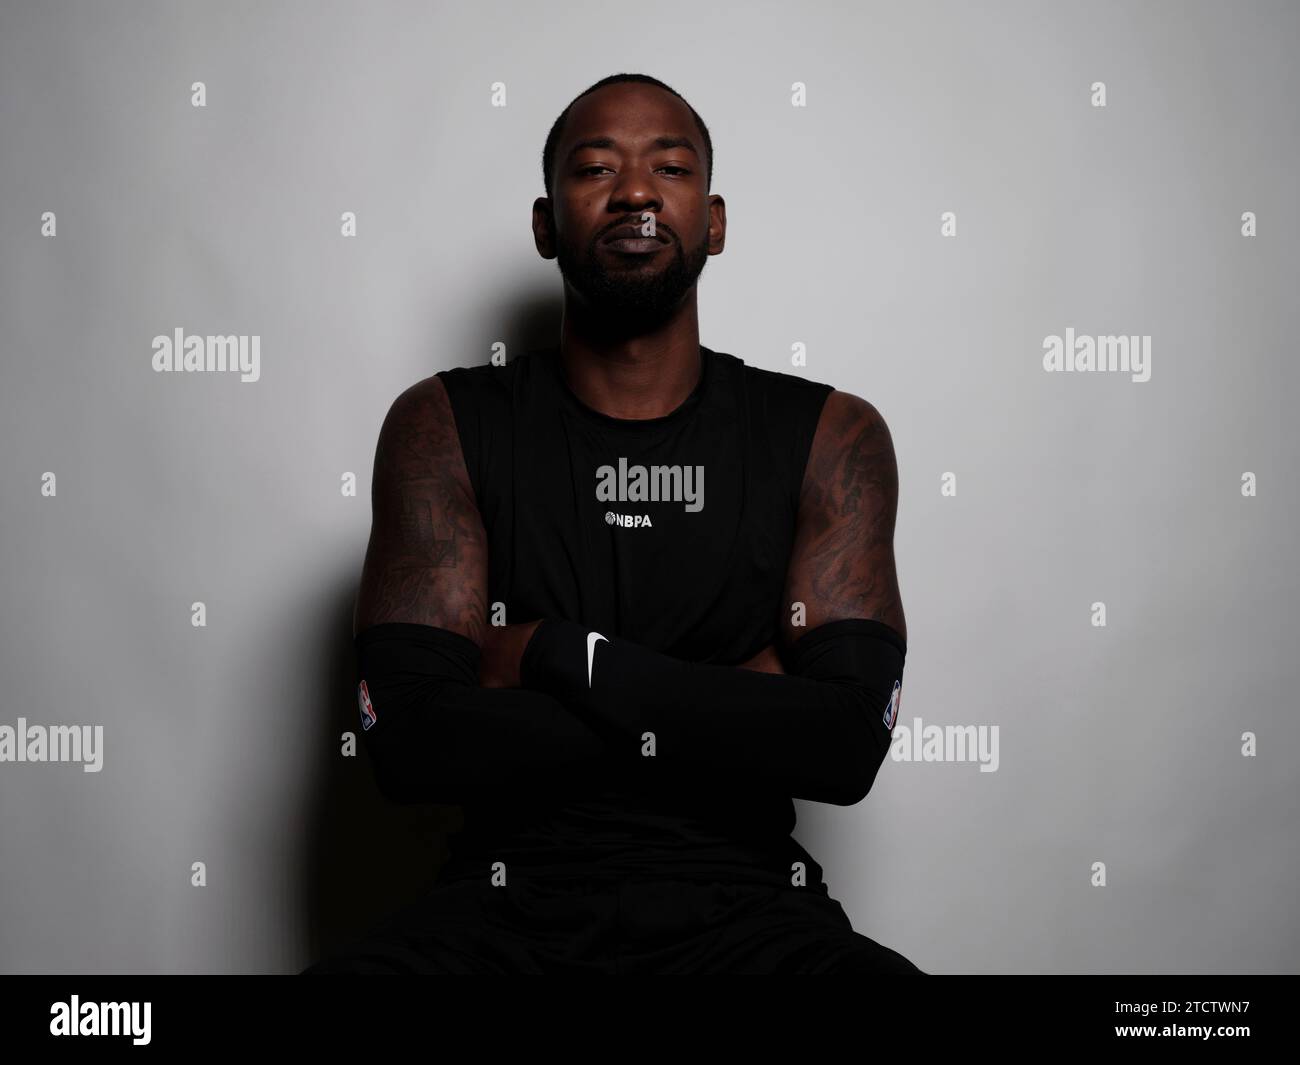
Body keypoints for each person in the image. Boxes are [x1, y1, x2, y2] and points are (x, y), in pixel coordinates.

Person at [303, 73, 922, 974]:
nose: (635, 190)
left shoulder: (830, 435)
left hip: (749, 907)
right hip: (503, 906)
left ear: (713, 221)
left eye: (669, 167)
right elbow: (411, 744)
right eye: (595, 168)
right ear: (547, 223)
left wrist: (561, 657)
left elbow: (841, 745)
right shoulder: (444, 423)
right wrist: (730, 700)